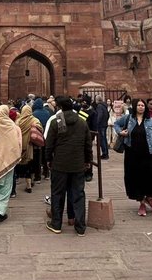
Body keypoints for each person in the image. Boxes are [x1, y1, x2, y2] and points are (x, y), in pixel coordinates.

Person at [45, 96, 93, 235]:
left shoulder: (56, 122)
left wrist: (48, 159)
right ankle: (80, 227)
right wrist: (88, 161)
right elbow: (88, 145)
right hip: (78, 164)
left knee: (57, 194)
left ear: (59, 107)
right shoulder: (81, 122)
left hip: (59, 164)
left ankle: (56, 224)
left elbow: (49, 145)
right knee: (78, 194)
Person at [114, 98, 152, 216]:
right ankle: (142, 202)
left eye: (143, 105)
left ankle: (150, 199)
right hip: (133, 154)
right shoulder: (129, 118)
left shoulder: (151, 120)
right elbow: (116, 124)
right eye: (139, 105)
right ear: (135, 107)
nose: (141, 107)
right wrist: (120, 132)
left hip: (150, 153)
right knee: (137, 177)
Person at [14, 104, 42, 195]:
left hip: (19, 146)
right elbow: (40, 129)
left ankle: (17, 179)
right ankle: (29, 184)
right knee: (29, 165)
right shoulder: (34, 120)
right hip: (29, 146)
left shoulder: (18, 121)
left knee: (19, 163)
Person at [31, 98, 52, 183]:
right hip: (46, 136)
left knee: (37, 157)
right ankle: (46, 174)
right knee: (45, 155)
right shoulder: (47, 112)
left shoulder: (34, 114)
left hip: (37, 137)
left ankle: (38, 176)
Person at [93, 95, 110, 159]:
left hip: (101, 125)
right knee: (104, 139)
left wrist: (97, 123)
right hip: (104, 124)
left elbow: (100, 115)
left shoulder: (99, 106)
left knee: (102, 139)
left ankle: (104, 154)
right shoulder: (104, 106)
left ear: (97, 100)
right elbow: (107, 115)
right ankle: (106, 153)